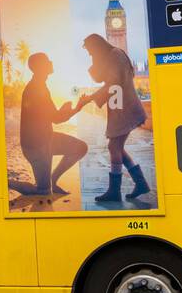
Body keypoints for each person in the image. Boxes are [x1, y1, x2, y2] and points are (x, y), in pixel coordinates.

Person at [78, 34, 150, 203]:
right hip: (119, 108)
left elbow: (113, 83)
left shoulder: (115, 55)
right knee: (115, 147)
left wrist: (90, 98)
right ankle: (140, 183)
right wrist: (95, 62)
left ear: (96, 46)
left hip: (125, 109)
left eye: (90, 51)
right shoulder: (110, 57)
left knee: (114, 147)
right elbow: (100, 78)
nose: (90, 54)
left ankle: (115, 191)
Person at [18, 52, 88, 195]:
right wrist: (75, 108)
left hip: (47, 138)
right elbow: (56, 118)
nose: (51, 63)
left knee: (80, 148)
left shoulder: (41, 85)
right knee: (43, 191)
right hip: (36, 147)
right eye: (47, 61)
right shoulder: (35, 88)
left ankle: (52, 180)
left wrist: (73, 109)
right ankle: (5, 183)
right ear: (40, 67)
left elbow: (52, 116)